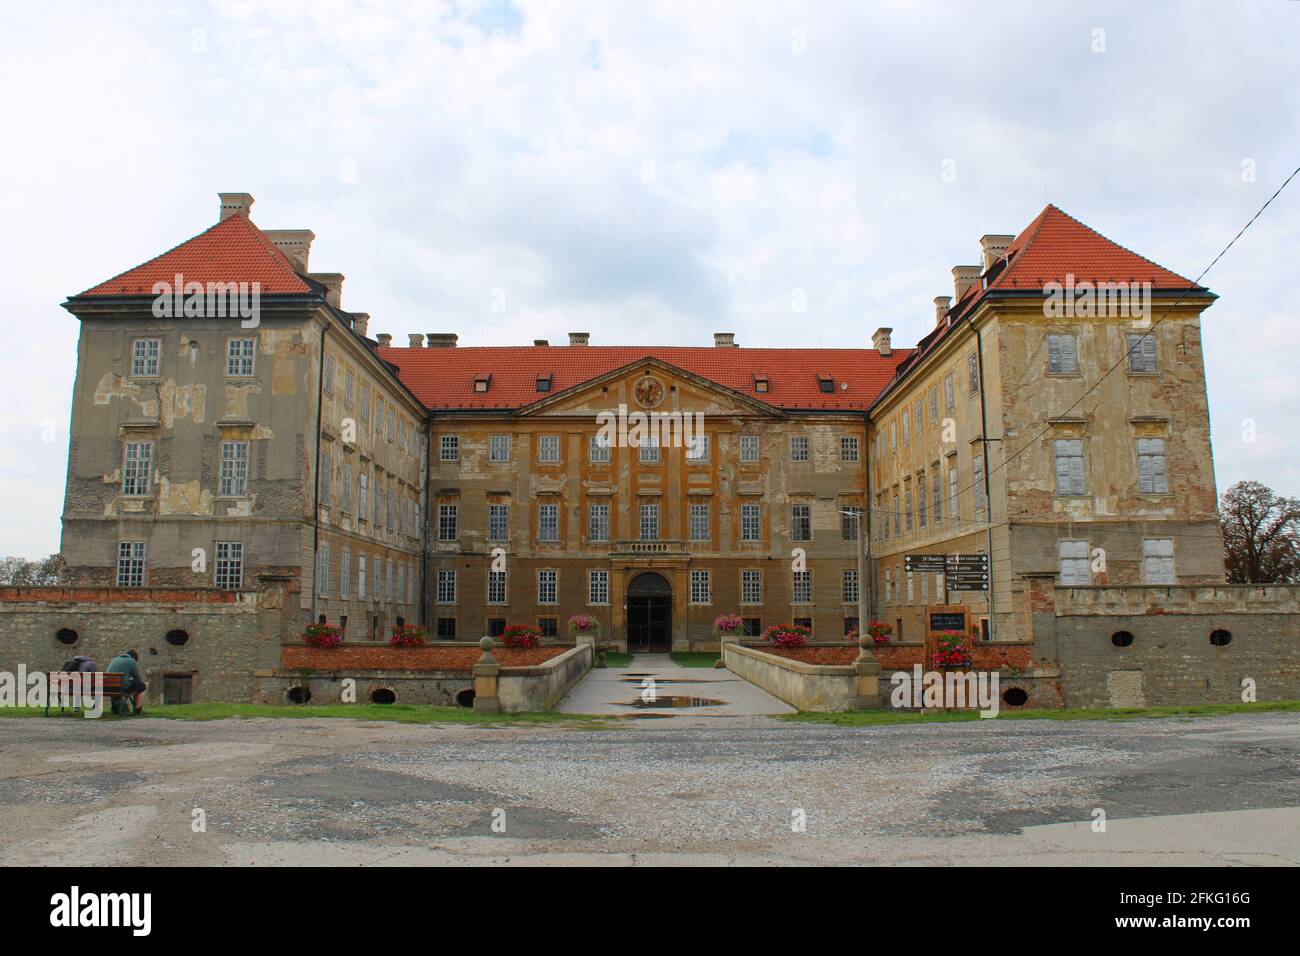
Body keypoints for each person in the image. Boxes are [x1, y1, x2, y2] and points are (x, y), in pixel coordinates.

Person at [106, 649, 146, 714]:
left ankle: (117, 708)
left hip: (109, 687)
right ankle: (138, 709)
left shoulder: (115, 659)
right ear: (134, 657)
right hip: (121, 688)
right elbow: (138, 678)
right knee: (142, 686)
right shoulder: (131, 661)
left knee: (122, 686)